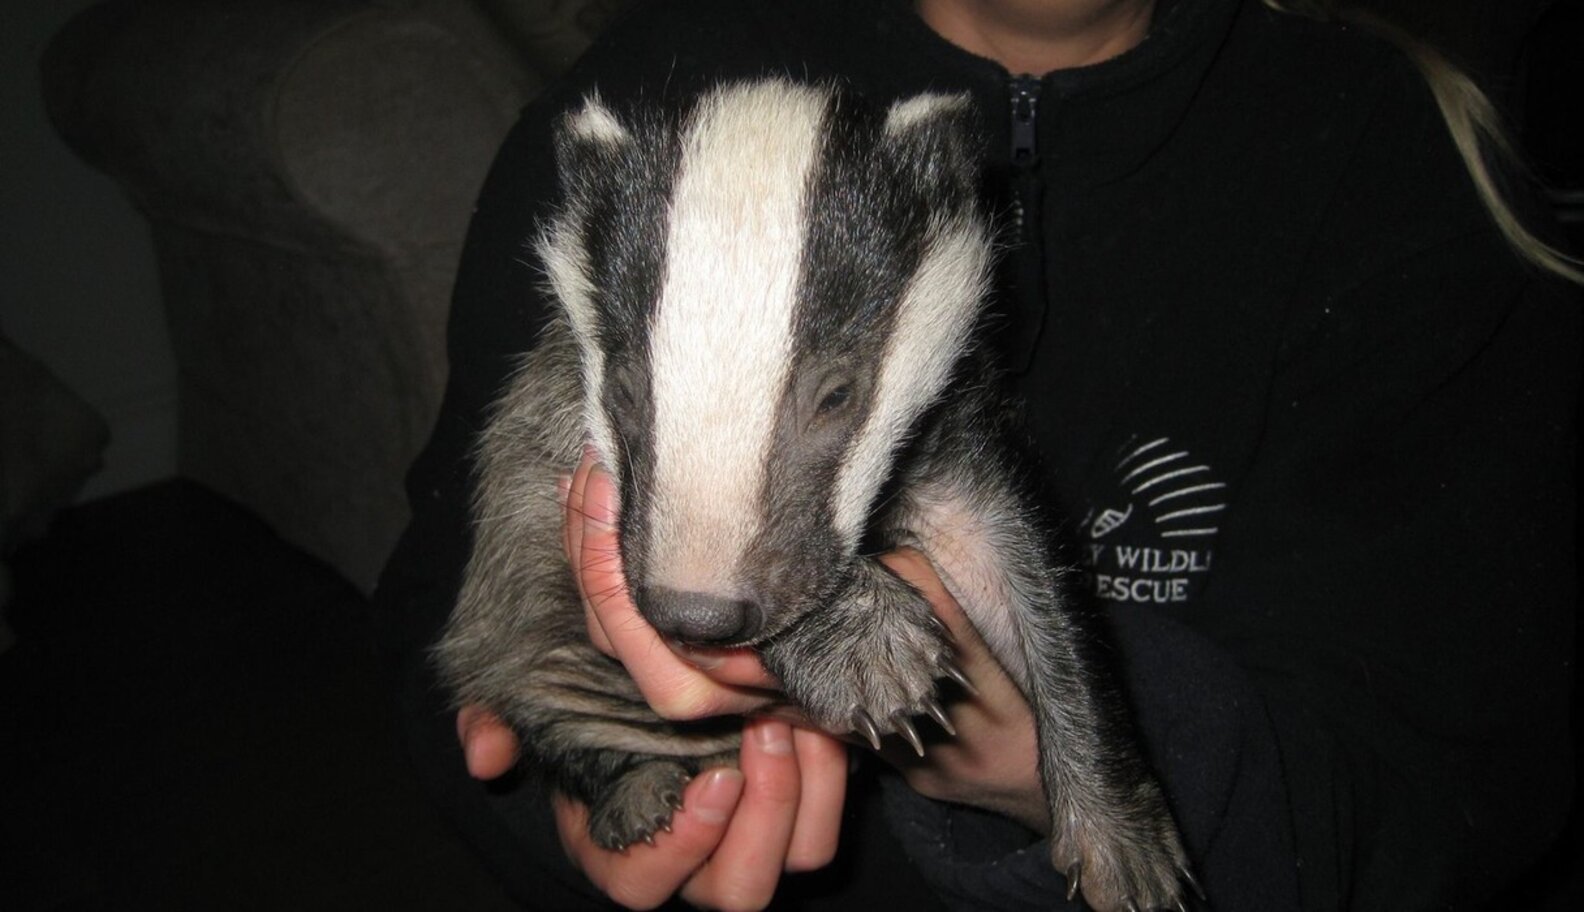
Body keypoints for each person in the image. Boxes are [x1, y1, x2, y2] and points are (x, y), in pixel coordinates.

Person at [375, 0, 1580, 909]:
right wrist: (573, 789)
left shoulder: (1399, 166)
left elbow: (1467, 767)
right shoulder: (635, 109)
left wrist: (1086, 761)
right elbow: (455, 619)